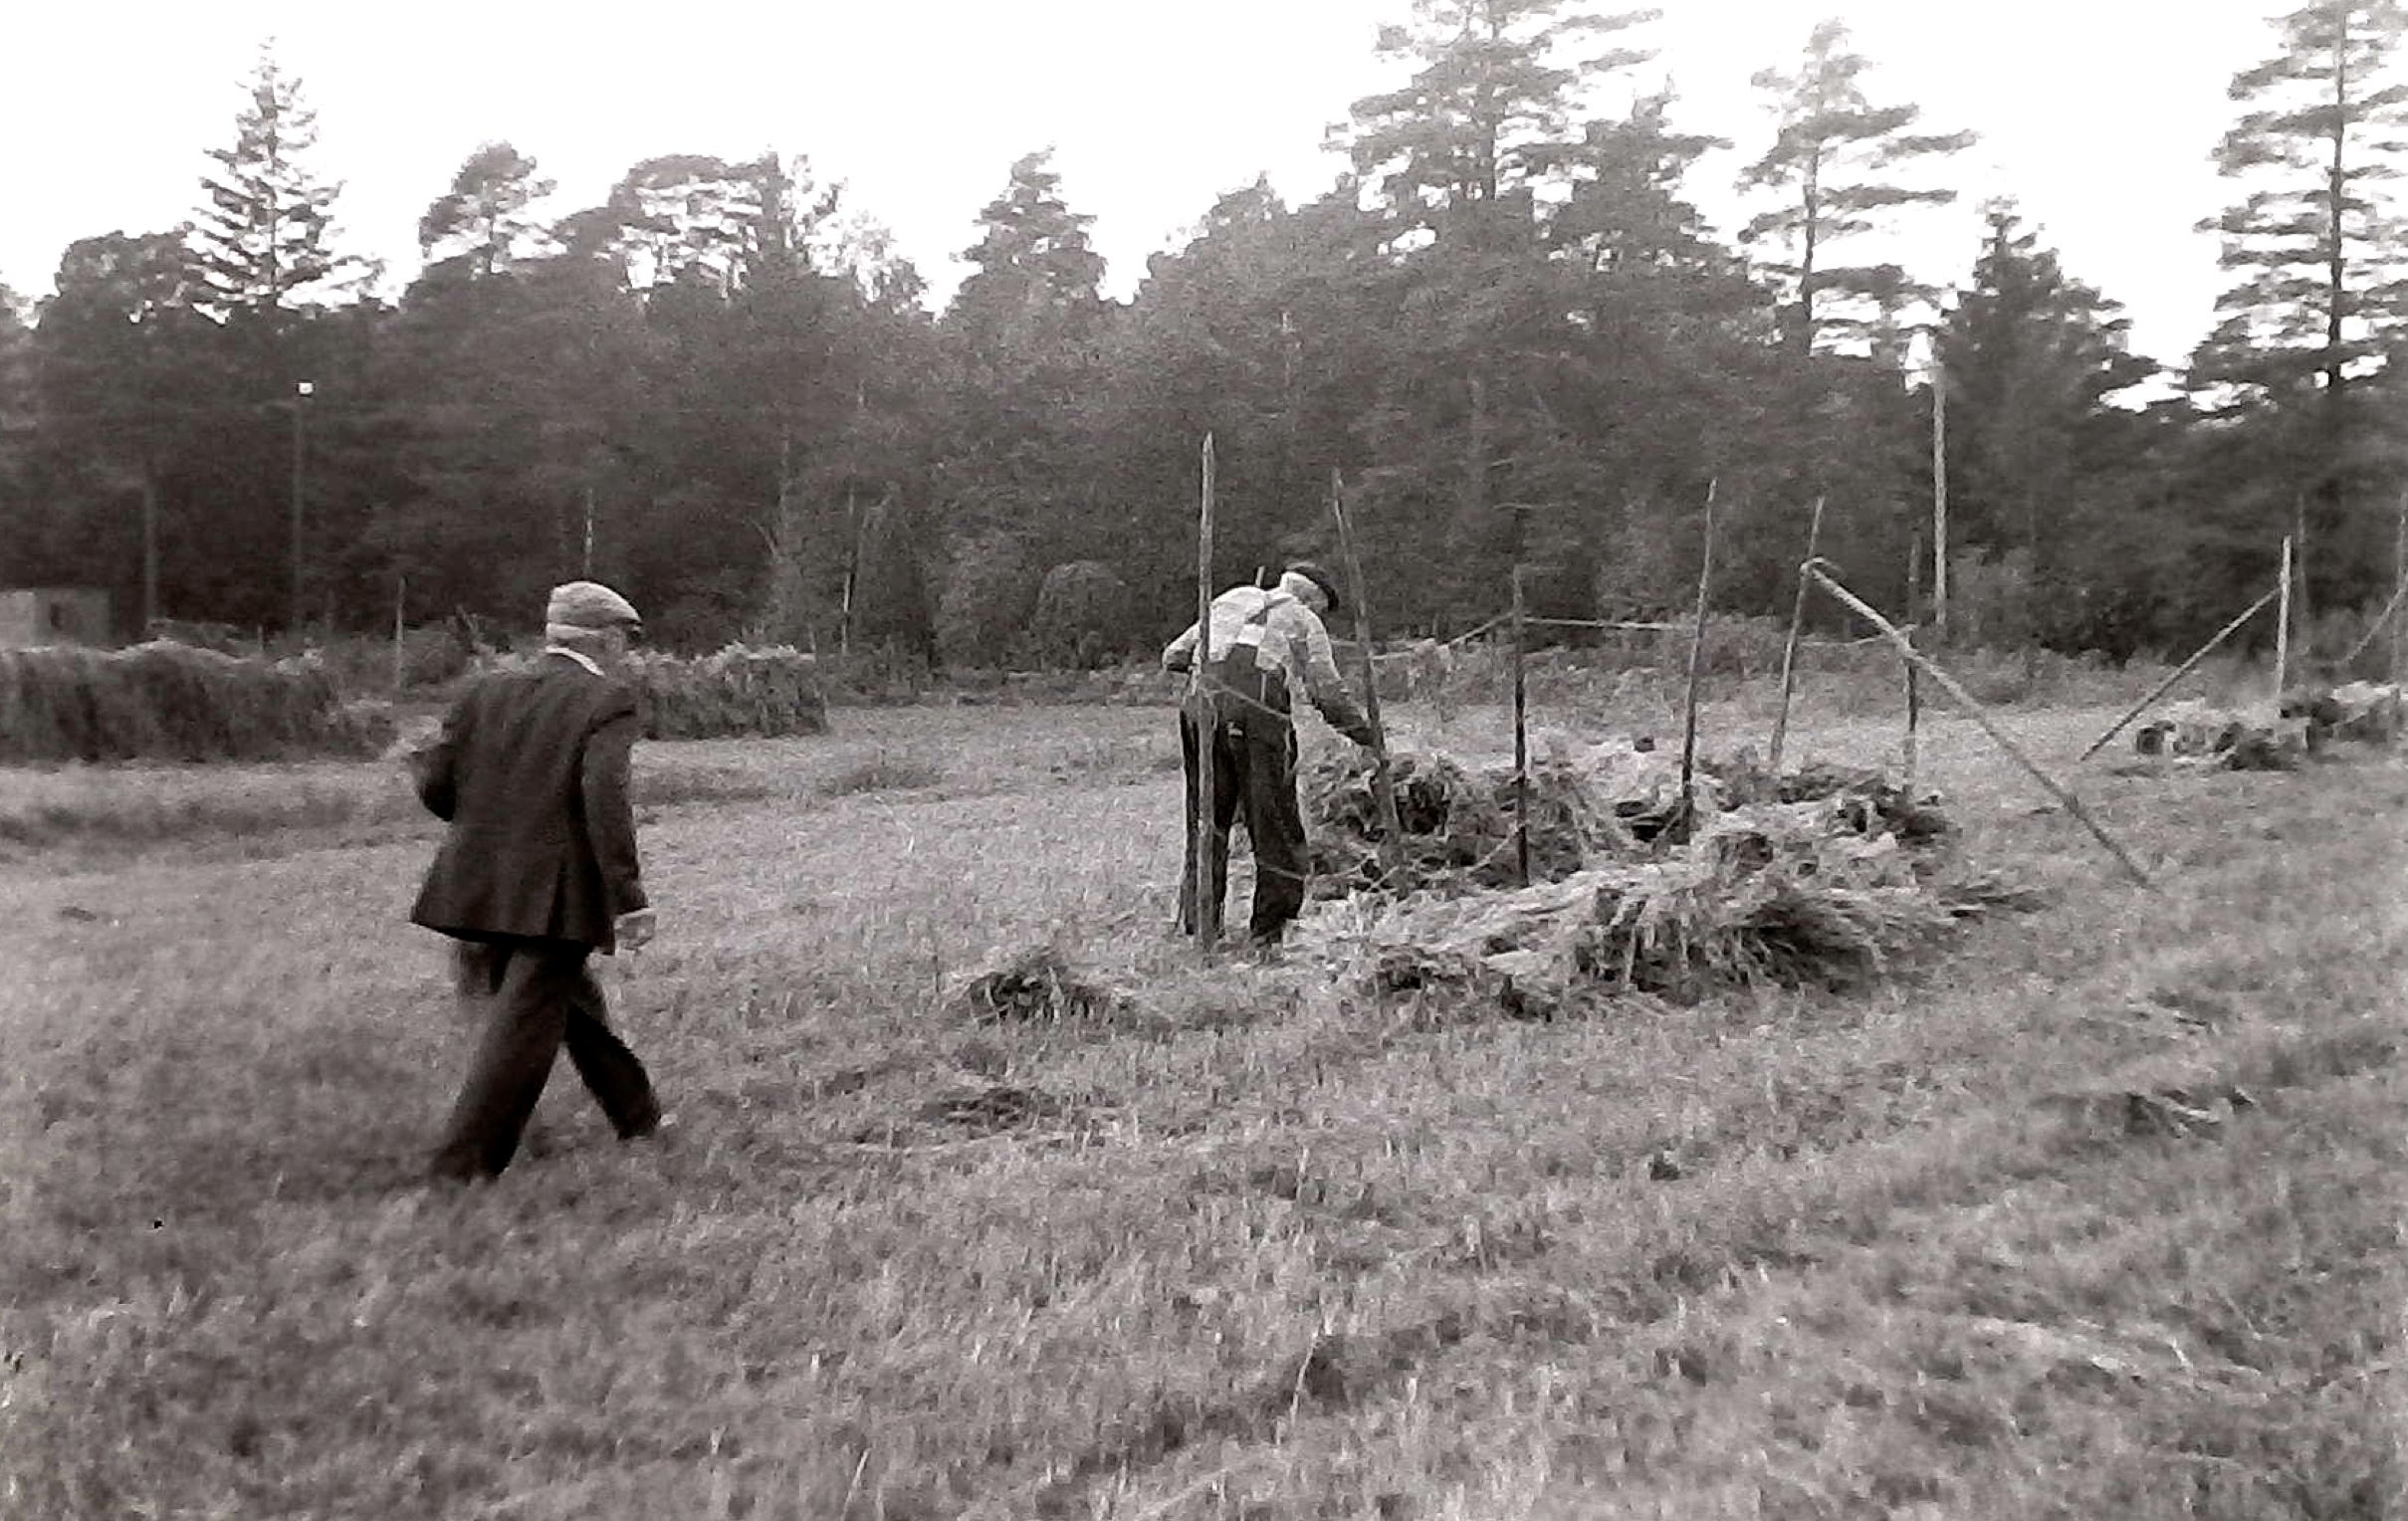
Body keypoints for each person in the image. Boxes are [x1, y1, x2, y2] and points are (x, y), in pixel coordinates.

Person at [408, 579, 666, 1183]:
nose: (626, 651)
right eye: (624, 639)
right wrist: (629, 900)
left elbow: (437, 781)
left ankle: (638, 1115)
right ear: (602, 639)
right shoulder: (608, 701)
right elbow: (604, 800)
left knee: (571, 1002)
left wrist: (487, 833)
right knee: (525, 1025)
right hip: (556, 891)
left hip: (478, 878)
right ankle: (461, 1171)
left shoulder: (485, 691)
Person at [1162, 560, 1378, 951]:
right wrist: (1365, 735)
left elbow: (1174, 656)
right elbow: (1327, 692)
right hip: (1257, 709)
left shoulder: (1232, 597)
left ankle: (1200, 925)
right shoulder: (1303, 620)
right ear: (1312, 598)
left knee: (1207, 819)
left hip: (1198, 705)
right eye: (1322, 610)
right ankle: (1268, 933)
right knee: (1274, 820)